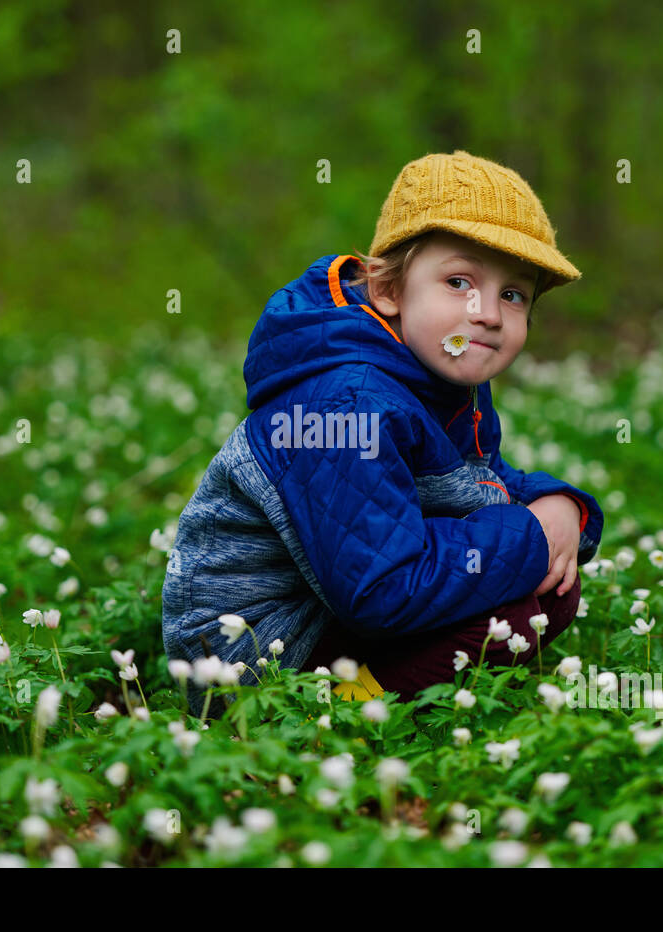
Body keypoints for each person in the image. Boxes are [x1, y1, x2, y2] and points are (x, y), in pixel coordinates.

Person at [161, 149, 603, 717]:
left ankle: (364, 694)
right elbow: (379, 590)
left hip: (334, 605)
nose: (488, 313)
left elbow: (467, 485)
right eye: (459, 280)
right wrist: (527, 536)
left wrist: (561, 507)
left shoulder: (438, 373)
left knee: (549, 593)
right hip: (252, 659)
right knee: (522, 609)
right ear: (388, 290)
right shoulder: (347, 403)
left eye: (513, 294)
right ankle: (340, 715)